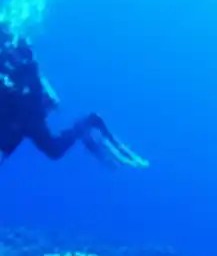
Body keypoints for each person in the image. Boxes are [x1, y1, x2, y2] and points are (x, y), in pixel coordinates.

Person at [0, 23, 147, 167]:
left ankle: (88, 124)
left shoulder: (14, 57)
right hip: (25, 115)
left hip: (24, 107)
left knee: (53, 150)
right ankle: (87, 124)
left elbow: (28, 74)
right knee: (54, 151)